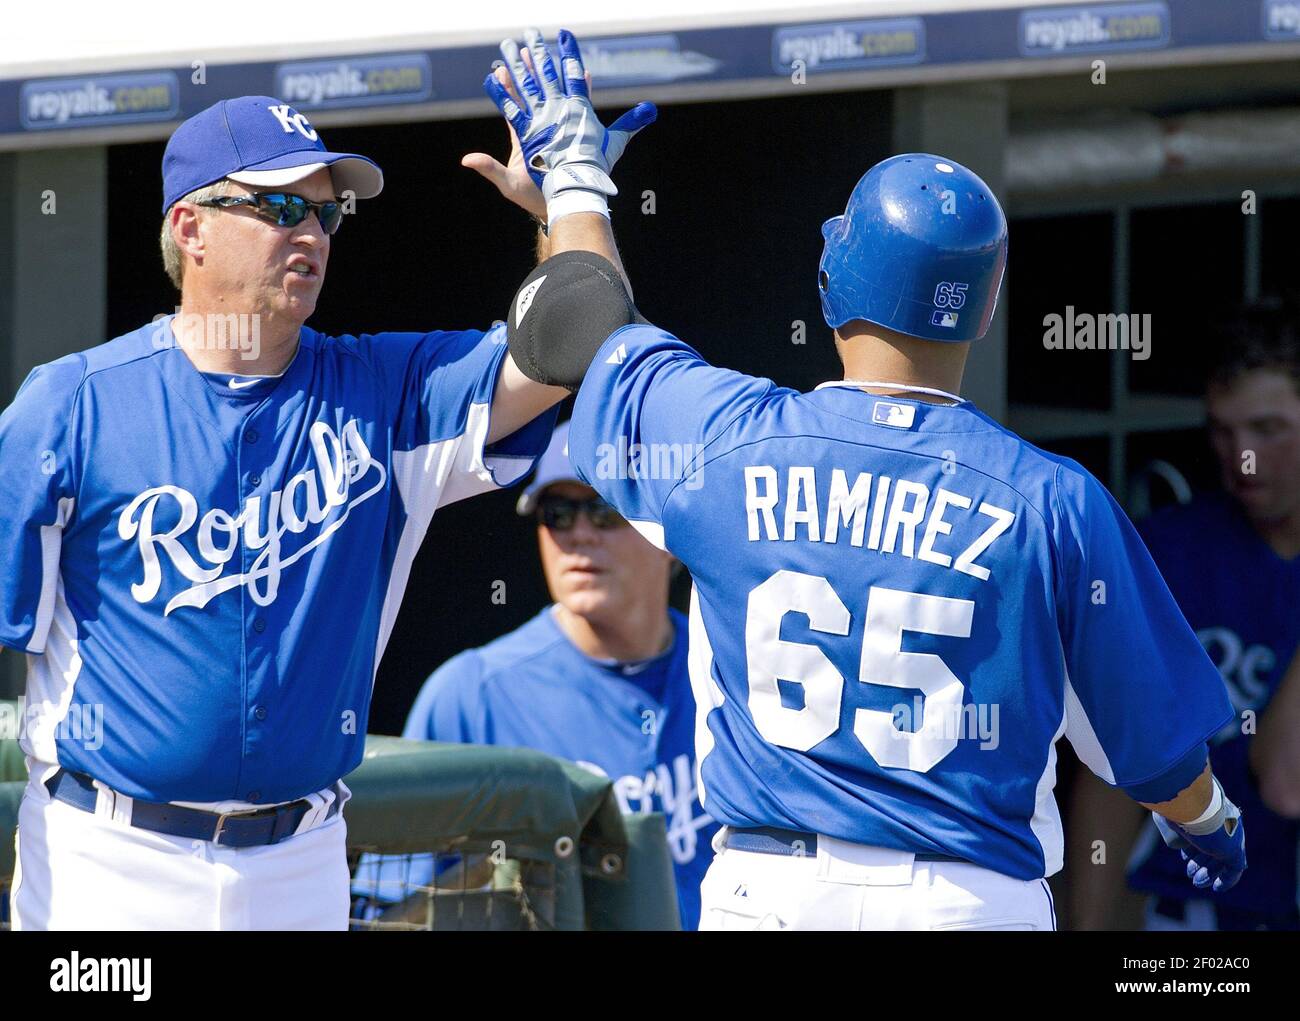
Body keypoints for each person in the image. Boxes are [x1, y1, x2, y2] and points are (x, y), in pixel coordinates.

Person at [485, 28, 1247, 930]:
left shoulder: (727, 437)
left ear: (830, 278)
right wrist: (1214, 826)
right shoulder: (1054, 499)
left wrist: (573, 185)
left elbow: (587, 327)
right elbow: (1160, 760)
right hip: (964, 903)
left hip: (769, 895)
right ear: (987, 305)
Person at [0, 86, 650, 930]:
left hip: (302, 864)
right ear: (190, 227)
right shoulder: (70, 406)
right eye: (277, 206)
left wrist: (570, 195)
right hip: (110, 865)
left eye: (325, 213)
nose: (309, 232)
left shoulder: (387, 391)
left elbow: (583, 335)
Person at [356, 420, 716, 929]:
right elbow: (386, 909)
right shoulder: (471, 694)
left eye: (605, 508)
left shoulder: (728, 668)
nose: (580, 534)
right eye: (558, 514)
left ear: (670, 529)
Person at [1071, 302, 1300, 931]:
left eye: (1268, 428)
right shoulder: (1169, 554)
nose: (1243, 457)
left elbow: (1288, 779)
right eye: (1223, 432)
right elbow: (1111, 772)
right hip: (1182, 911)